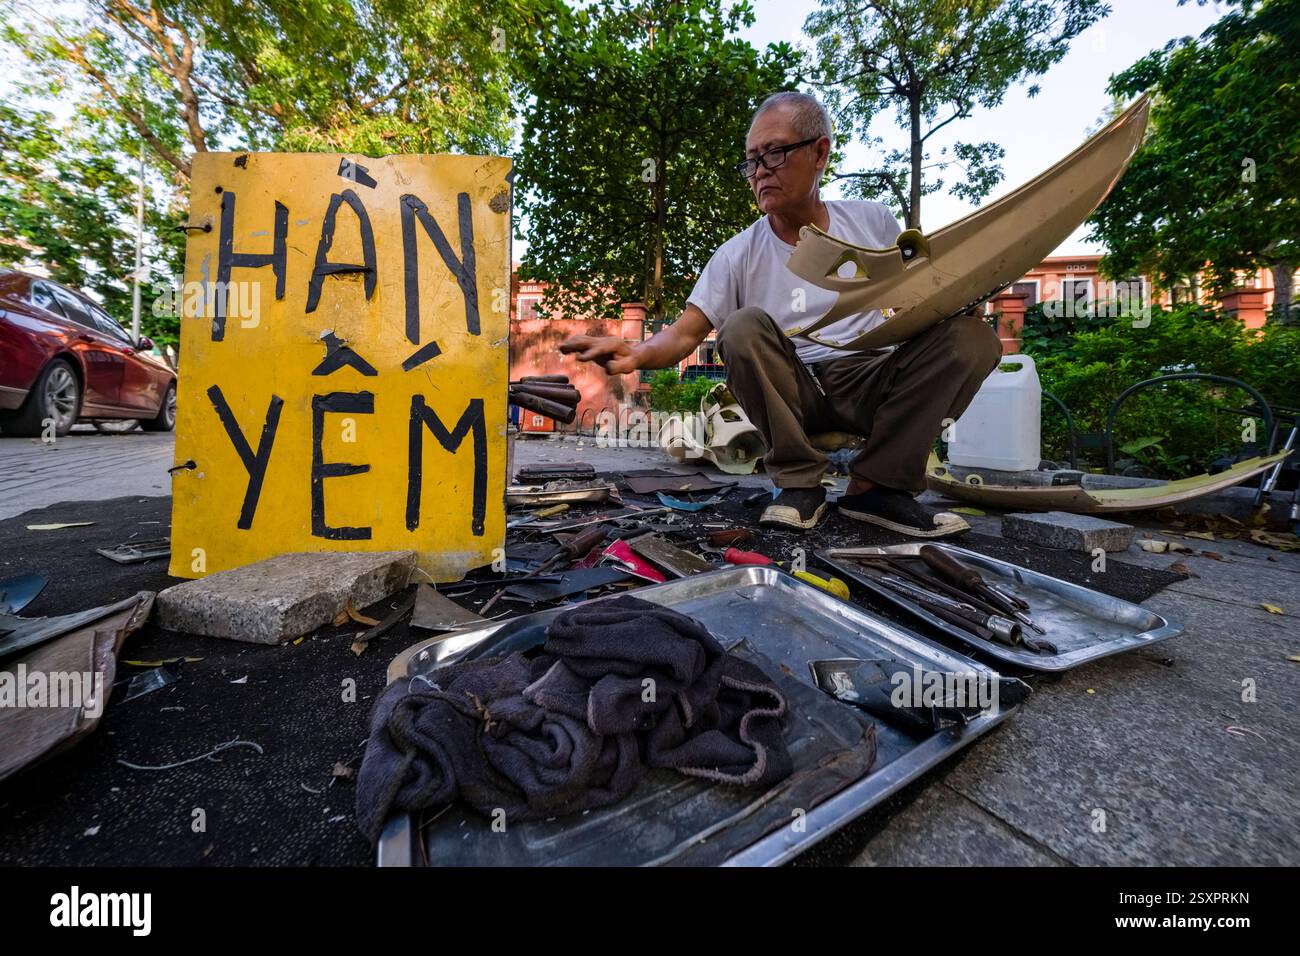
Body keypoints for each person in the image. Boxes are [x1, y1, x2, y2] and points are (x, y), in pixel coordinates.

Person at [560, 91, 1001, 536]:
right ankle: (799, 484)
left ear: (819, 152)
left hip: (870, 380)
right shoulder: (737, 254)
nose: (759, 173)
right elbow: (682, 335)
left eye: (773, 153)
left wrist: (961, 294)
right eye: (751, 161)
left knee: (972, 339)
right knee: (741, 326)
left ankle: (878, 487)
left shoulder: (873, 222)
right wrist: (636, 353)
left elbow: (917, 303)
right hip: (793, 392)